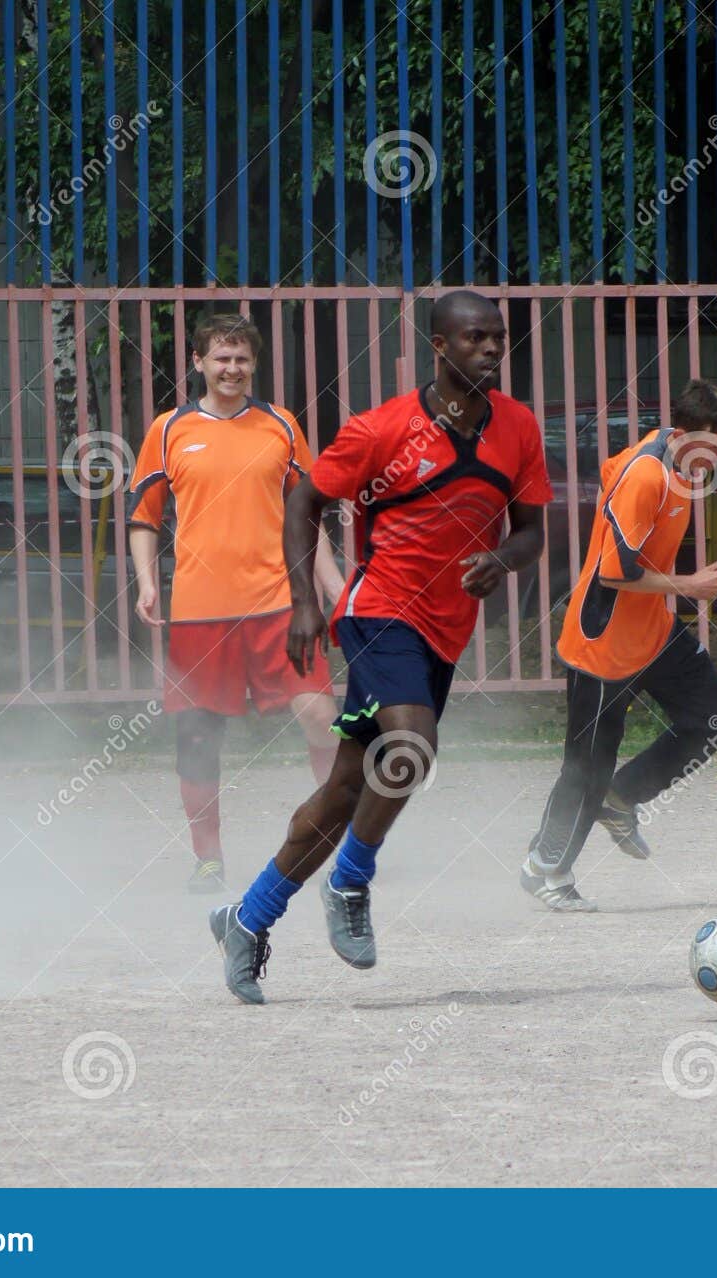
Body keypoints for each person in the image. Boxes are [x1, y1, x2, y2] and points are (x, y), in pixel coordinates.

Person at [208, 289, 551, 1003]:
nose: (491, 348)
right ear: (439, 346)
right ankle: (351, 882)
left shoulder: (517, 427)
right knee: (413, 746)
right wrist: (305, 601)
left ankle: (247, 917)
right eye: (475, 337)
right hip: (380, 610)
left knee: (347, 789)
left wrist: (503, 559)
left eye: (498, 336)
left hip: (445, 629)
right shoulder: (382, 429)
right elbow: (304, 502)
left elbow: (531, 532)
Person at [127, 312, 343, 892]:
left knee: (321, 716)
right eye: (221, 358)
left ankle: (333, 844)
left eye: (242, 358)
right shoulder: (169, 430)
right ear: (198, 362)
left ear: (254, 364)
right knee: (198, 738)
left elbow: (309, 517)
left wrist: (333, 587)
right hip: (200, 612)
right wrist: (147, 582)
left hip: (280, 603)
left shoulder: (280, 424)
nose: (232, 368)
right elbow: (143, 517)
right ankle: (208, 858)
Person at [520, 378, 717, 910]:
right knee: (587, 766)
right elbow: (614, 574)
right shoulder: (647, 475)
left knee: (715, 719)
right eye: (714, 449)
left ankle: (621, 797)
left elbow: (610, 474)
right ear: (685, 436)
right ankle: (544, 869)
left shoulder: (677, 456)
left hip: (653, 631)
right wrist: (688, 585)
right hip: (603, 643)